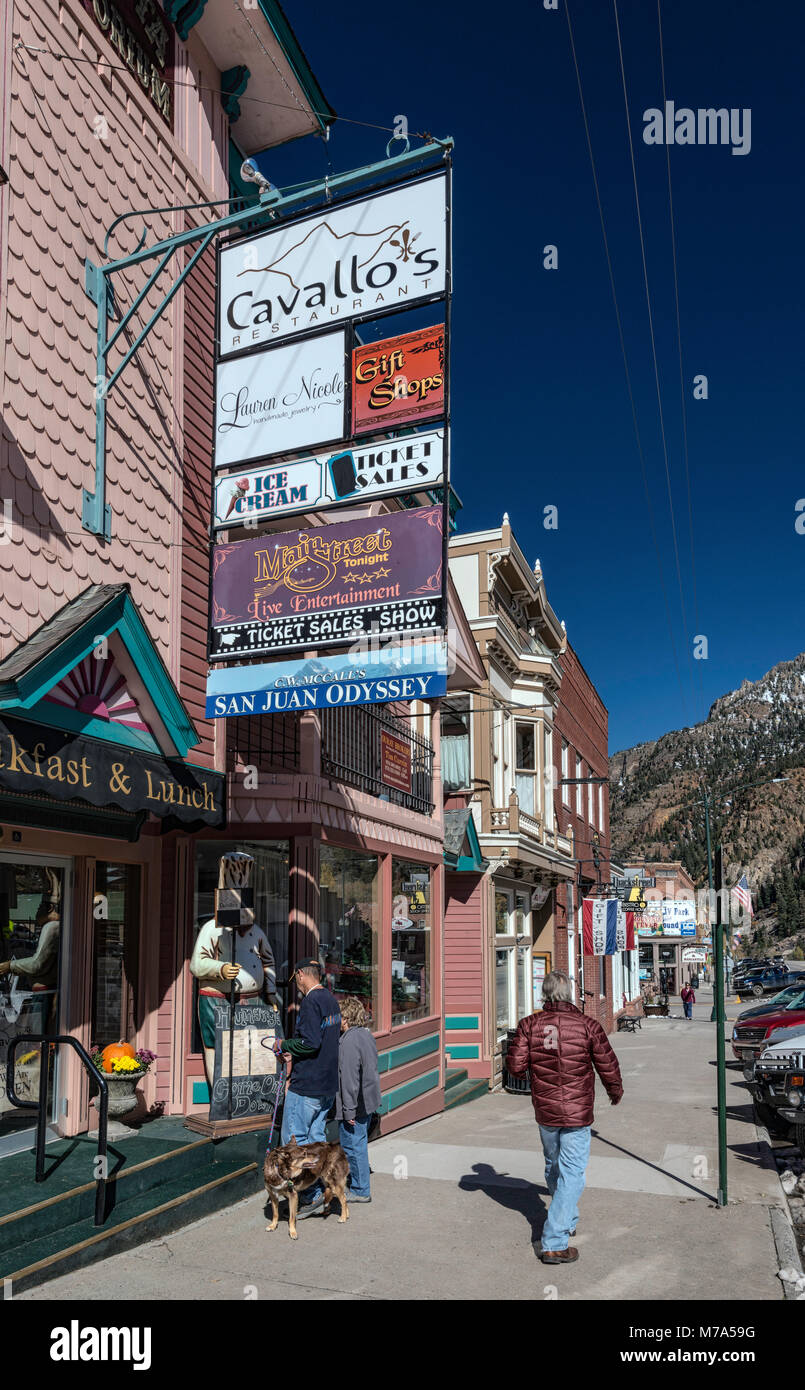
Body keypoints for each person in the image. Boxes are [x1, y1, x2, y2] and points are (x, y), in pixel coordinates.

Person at [507, 969, 623, 1266]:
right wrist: (615, 1091)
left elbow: (516, 1069)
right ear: (569, 993)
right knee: (572, 1173)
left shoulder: (529, 1025)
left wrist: (535, 1068)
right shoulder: (587, 1026)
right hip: (577, 1111)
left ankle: (568, 1218)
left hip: (546, 1110)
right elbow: (607, 1064)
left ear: (544, 994)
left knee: (553, 1166)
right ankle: (555, 1242)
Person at [275, 957, 341, 1217]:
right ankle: (323, 1189)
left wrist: (285, 1045)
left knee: (295, 1142)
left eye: (297, 980)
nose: (297, 986)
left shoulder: (312, 1001)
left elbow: (310, 1043)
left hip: (307, 1087)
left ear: (301, 974)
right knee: (316, 1142)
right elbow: (322, 1042)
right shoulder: (331, 1000)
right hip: (326, 1085)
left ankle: (310, 1195)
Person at [336, 996, 381, 1203]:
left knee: (353, 1147)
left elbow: (349, 1078)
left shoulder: (349, 1040)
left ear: (346, 1017)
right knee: (359, 1144)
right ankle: (361, 1185)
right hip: (368, 1100)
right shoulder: (366, 1035)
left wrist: (348, 1109)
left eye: (340, 1016)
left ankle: (360, 1189)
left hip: (355, 1103)